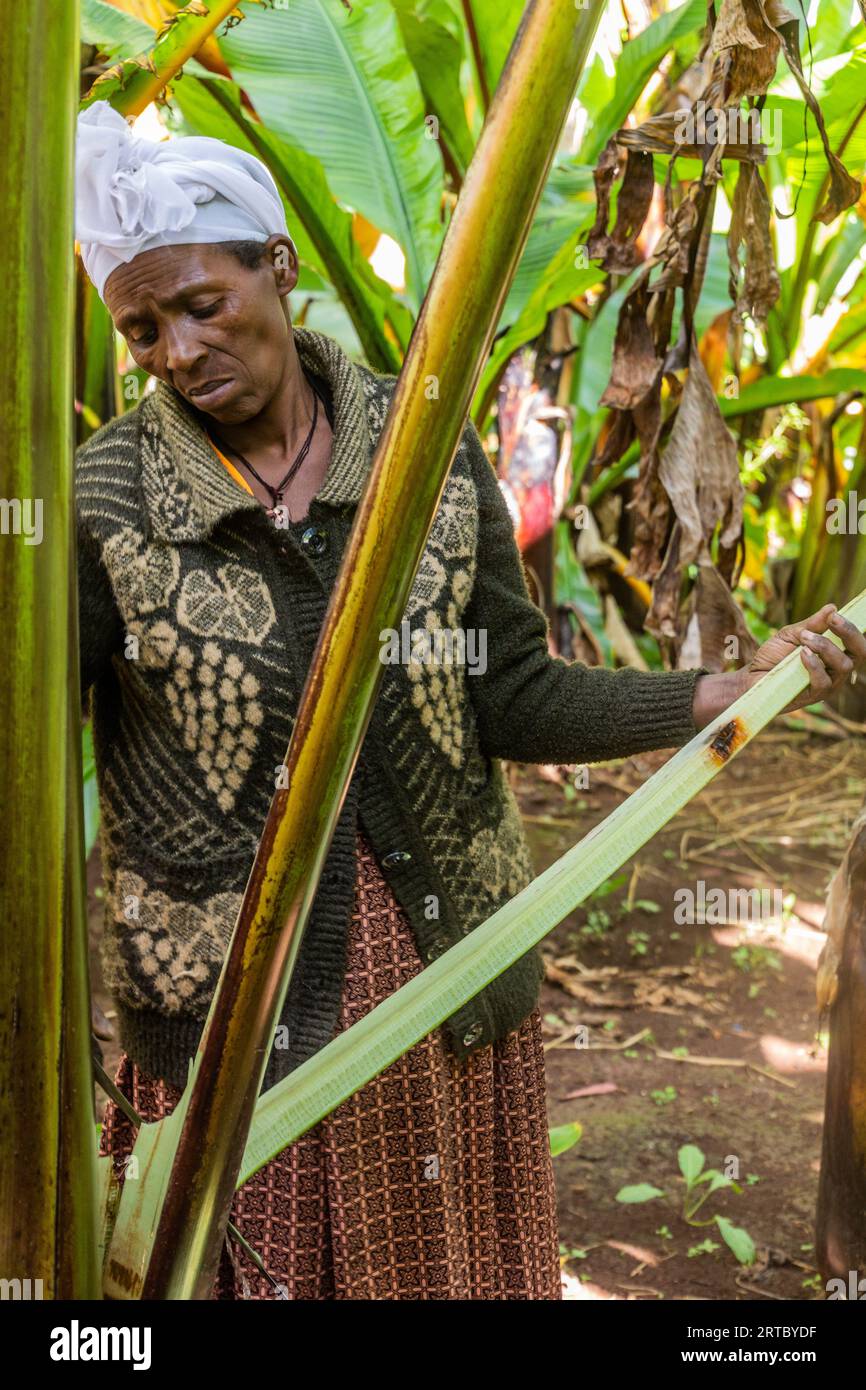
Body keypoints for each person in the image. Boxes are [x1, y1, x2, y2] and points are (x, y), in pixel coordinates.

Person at [75, 101, 866, 1300]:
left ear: (276, 269)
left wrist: (721, 688)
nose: (177, 354)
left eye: (201, 305)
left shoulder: (422, 443)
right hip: (230, 1018)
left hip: (440, 982)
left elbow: (510, 689)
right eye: (141, 331)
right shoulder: (102, 501)